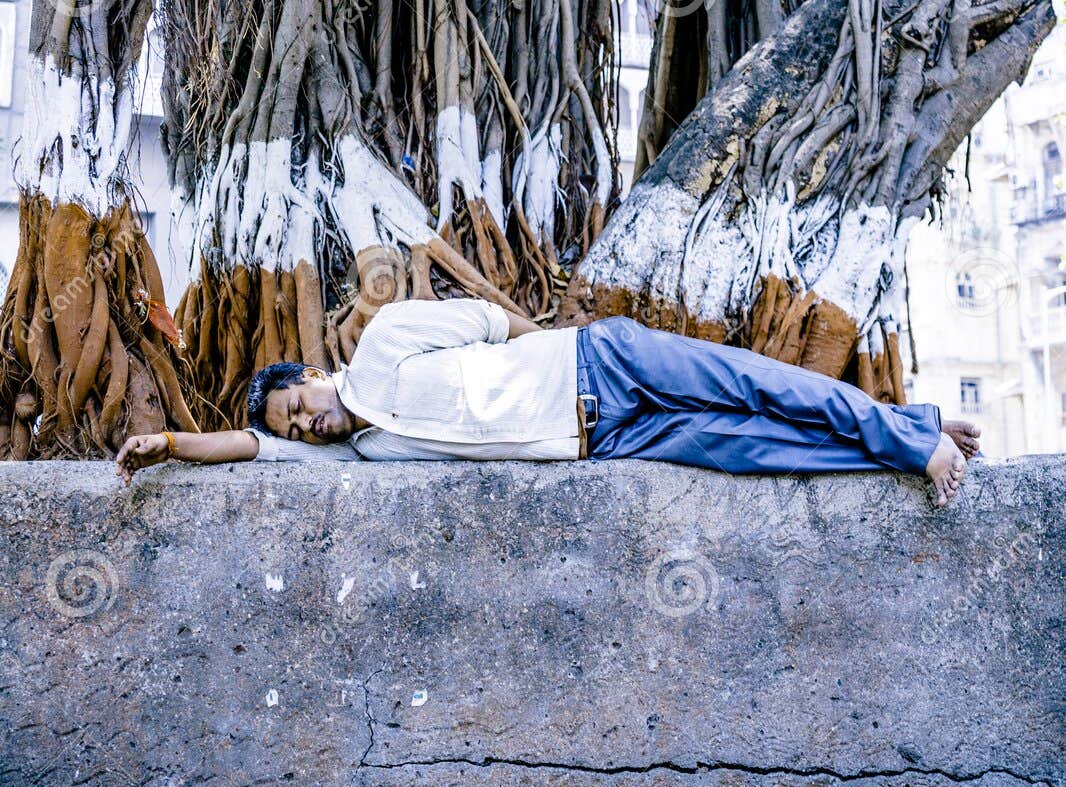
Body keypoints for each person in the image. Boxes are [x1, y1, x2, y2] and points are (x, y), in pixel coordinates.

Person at [115, 298, 979, 505]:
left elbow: (494, 320)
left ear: (310, 375)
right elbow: (248, 448)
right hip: (608, 442)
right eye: (298, 430)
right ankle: (912, 432)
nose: (307, 425)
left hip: (604, 363)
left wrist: (556, 357)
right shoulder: (362, 453)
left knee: (761, 384)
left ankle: (911, 438)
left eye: (298, 406)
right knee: (756, 446)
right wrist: (169, 444)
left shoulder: (384, 339)